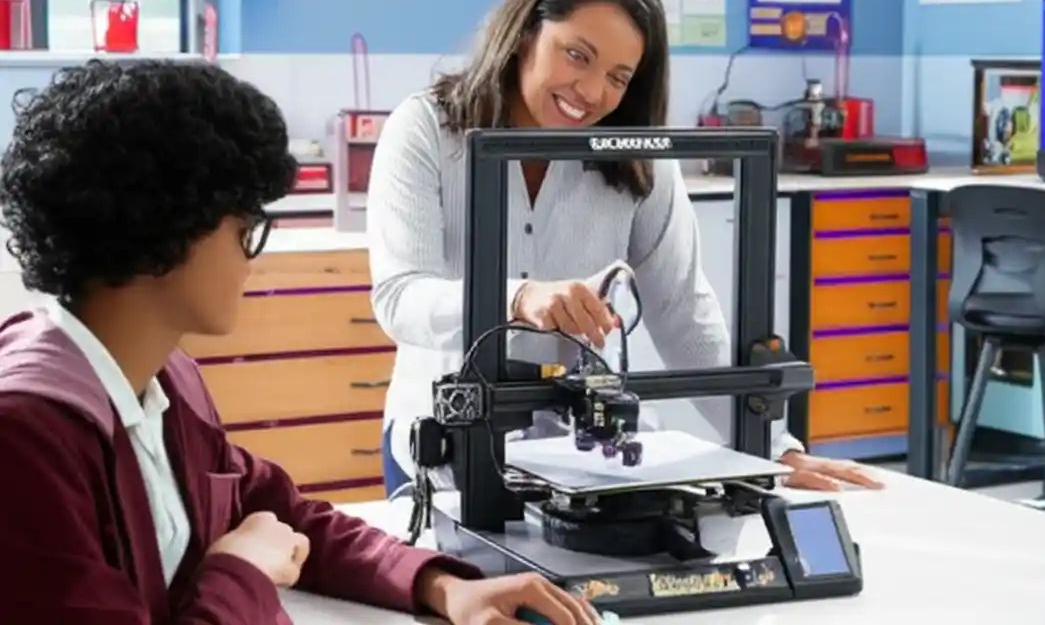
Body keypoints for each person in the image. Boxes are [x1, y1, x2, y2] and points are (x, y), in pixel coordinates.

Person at [0, 60, 598, 625]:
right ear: (163, 230)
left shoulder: (162, 379)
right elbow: (252, 547)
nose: (249, 261)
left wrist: (445, 587)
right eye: (245, 230)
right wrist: (242, 571)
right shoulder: (27, 437)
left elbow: (282, 513)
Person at [368, 0, 882, 496]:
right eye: (576, 55)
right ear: (524, 33)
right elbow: (400, 298)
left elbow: (682, 312)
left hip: (589, 453)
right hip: (445, 444)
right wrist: (519, 298)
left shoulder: (637, 157)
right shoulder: (424, 130)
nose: (591, 93)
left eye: (618, 77)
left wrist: (773, 446)